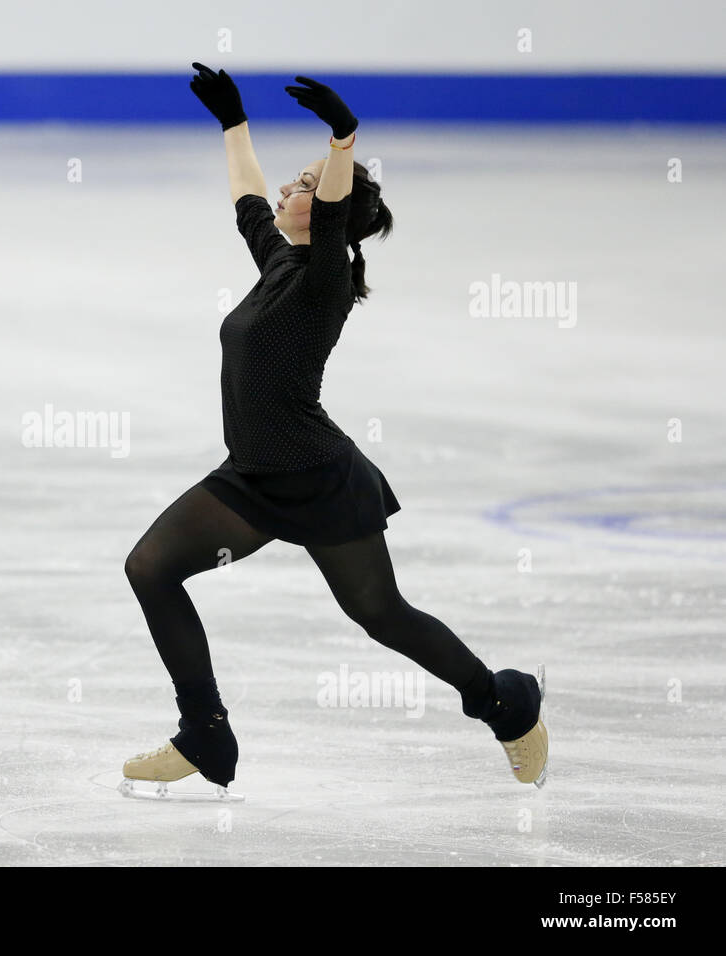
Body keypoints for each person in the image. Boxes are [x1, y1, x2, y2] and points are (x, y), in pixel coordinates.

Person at [118, 65, 547, 799]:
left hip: (318, 477)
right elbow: (248, 198)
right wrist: (233, 122)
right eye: (297, 179)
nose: (289, 189)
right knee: (150, 567)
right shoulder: (281, 261)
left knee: (381, 615)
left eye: (305, 185)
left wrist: (343, 141)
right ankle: (206, 733)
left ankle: (504, 703)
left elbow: (333, 208)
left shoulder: (328, 280)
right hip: (251, 478)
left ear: (328, 214)